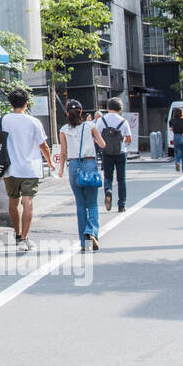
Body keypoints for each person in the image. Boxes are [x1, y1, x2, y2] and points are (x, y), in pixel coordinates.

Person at [0, 88, 55, 253]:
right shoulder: (33, 122)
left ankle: (17, 236)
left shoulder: (2, 120)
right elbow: (43, 146)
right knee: (27, 202)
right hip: (30, 168)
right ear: (26, 103)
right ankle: (24, 239)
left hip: (9, 168)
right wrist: (50, 162)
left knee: (13, 202)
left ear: (10, 104)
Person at [59, 99, 107, 252]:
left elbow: (63, 153)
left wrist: (60, 170)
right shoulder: (90, 126)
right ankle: (91, 231)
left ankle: (84, 244)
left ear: (67, 113)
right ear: (81, 111)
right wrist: (92, 138)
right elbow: (103, 145)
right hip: (90, 164)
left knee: (80, 203)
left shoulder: (64, 130)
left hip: (74, 167)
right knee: (92, 203)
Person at [97, 98, 132, 212]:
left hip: (106, 152)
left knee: (108, 176)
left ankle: (108, 190)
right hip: (121, 152)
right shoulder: (123, 121)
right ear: (120, 109)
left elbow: (95, 136)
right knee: (121, 178)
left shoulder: (101, 120)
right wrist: (122, 142)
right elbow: (129, 139)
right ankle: (122, 204)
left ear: (108, 108)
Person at [170, 108, 183, 173]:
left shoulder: (172, 120)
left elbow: (171, 128)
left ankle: (177, 161)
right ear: (181, 113)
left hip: (176, 136)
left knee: (177, 151)